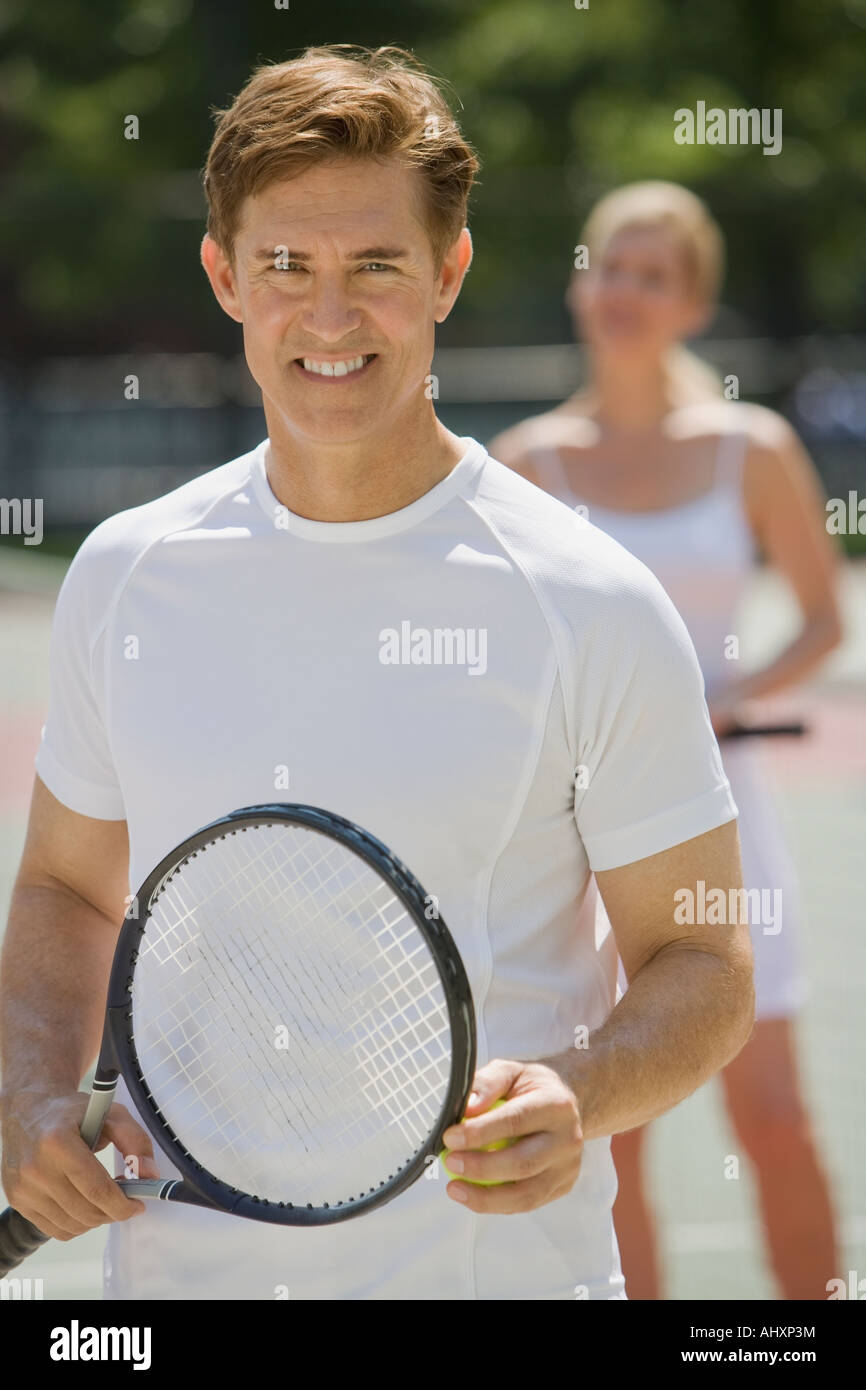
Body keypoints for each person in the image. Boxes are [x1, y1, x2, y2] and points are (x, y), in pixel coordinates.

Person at [0, 55, 752, 1302]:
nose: (329, 315)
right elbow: (70, 888)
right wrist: (30, 1091)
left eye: (377, 267)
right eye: (287, 266)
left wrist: (584, 1088)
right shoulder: (126, 576)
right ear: (224, 275)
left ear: (447, 274)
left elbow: (704, 957)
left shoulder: (587, 597)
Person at [489, 180, 842, 1300]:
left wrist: (723, 696)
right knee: (612, 1127)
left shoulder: (750, 444)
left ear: (692, 302)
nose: (622, 291)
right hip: (582, 840)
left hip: (726, 828)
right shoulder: (523, 463)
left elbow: (824, 616)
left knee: (772, 1115)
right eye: (606, 266)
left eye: (652, 274)